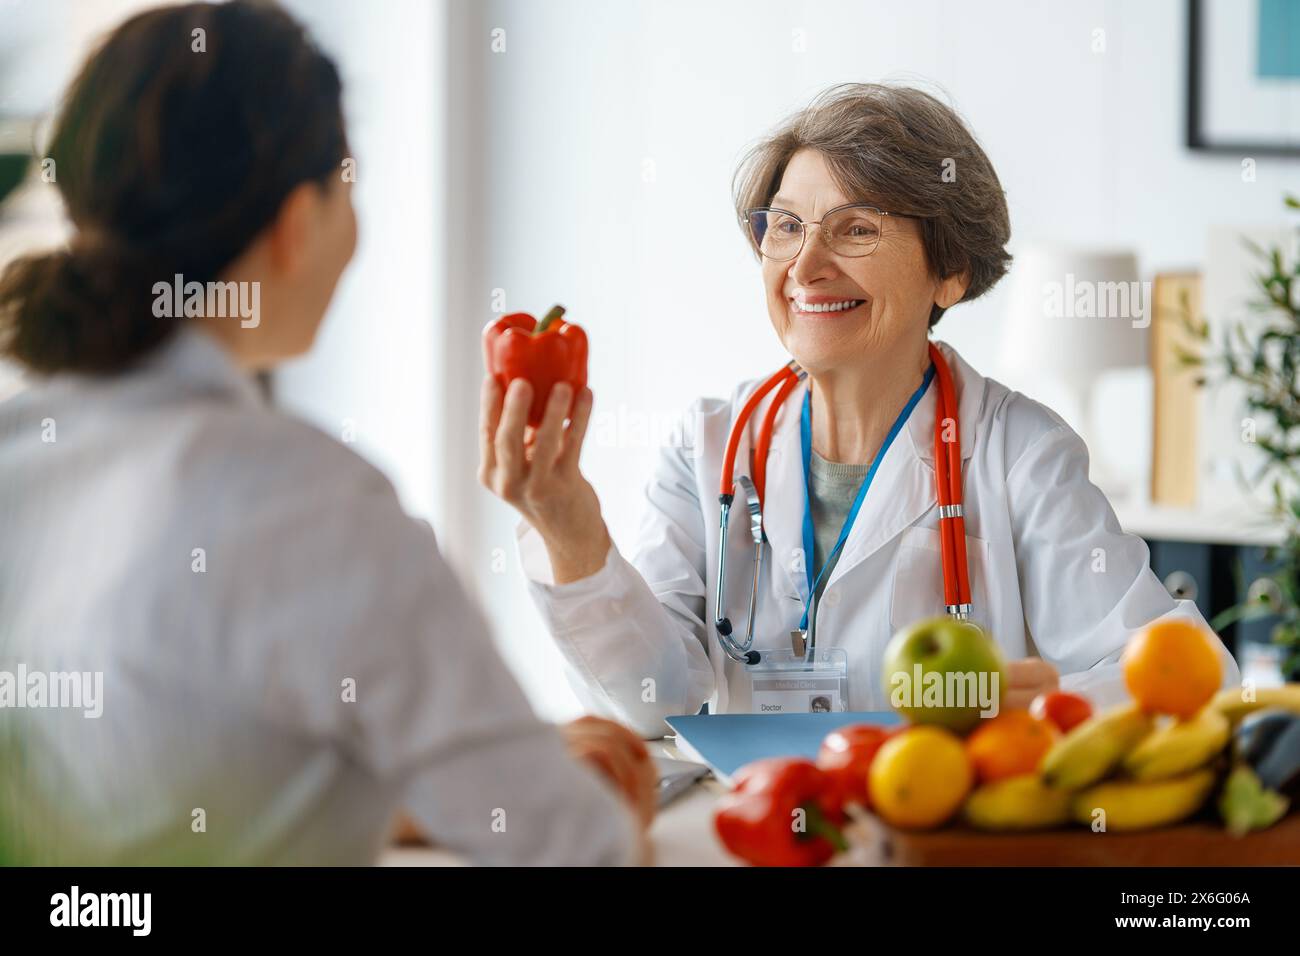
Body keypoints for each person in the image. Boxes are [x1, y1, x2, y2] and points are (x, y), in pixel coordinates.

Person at [0, 0, 653, 866]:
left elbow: (140, 795)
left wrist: (400, 798)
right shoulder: (315, 502)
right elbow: (583, 851)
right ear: (298, 222)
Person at [480, 83, 1240, 738]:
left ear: (949, 271)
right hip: (762, 828)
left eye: (856, 229)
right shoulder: (707, 443)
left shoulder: (1019, 453)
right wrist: (567, 525)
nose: (806, 267)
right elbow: (653, 702)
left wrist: (1054, 712)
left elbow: (1196, 677)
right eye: (784, 226)